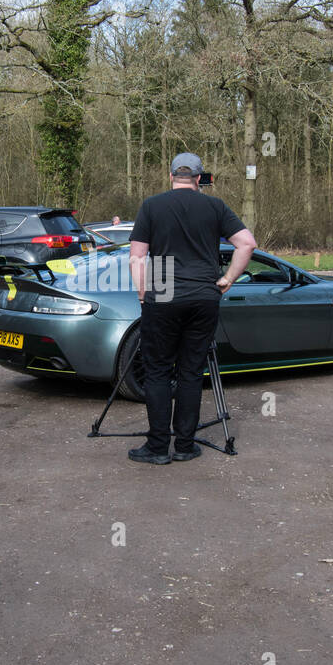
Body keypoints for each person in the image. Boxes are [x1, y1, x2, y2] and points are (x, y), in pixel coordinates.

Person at [127, 153, 256, 464]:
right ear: (199, 179)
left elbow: (137, 257)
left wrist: (144, 295)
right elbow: (247, 243)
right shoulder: (215, 206)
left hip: (164, 290)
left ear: (171, 176)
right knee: (190, 371)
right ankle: (184, 445)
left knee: (157, 371)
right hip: (203, 293)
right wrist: (226, 280)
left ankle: (158, 448)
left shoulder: (152, 205)